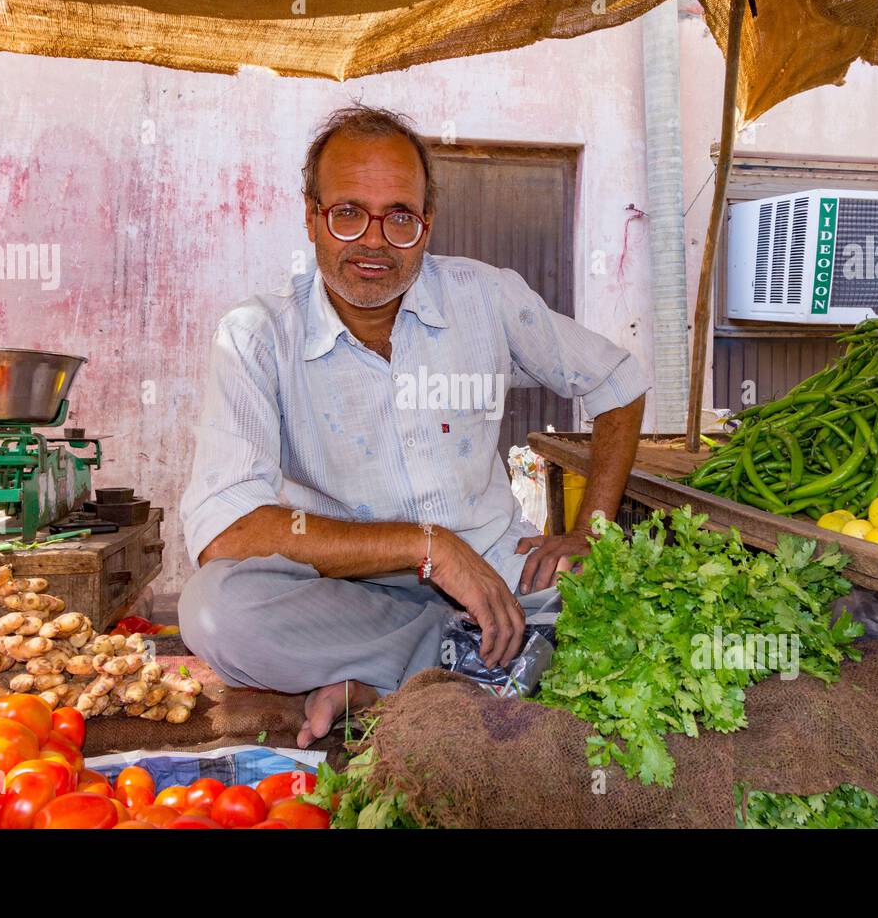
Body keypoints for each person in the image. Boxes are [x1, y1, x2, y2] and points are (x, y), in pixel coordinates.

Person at [179, 105, 649, 747]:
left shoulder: (485, 298)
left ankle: (385, 680)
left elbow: (616, 383)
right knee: (215, 611)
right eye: (348, 213)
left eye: (400, 216)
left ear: (426, 225)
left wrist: (591, 529)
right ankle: (478, 665)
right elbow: (227, 531)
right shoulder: (257, 337)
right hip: (342, 592)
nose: (374, 241)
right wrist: (427, 545)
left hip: (502, 579)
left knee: (625, 617)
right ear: (312, 217)